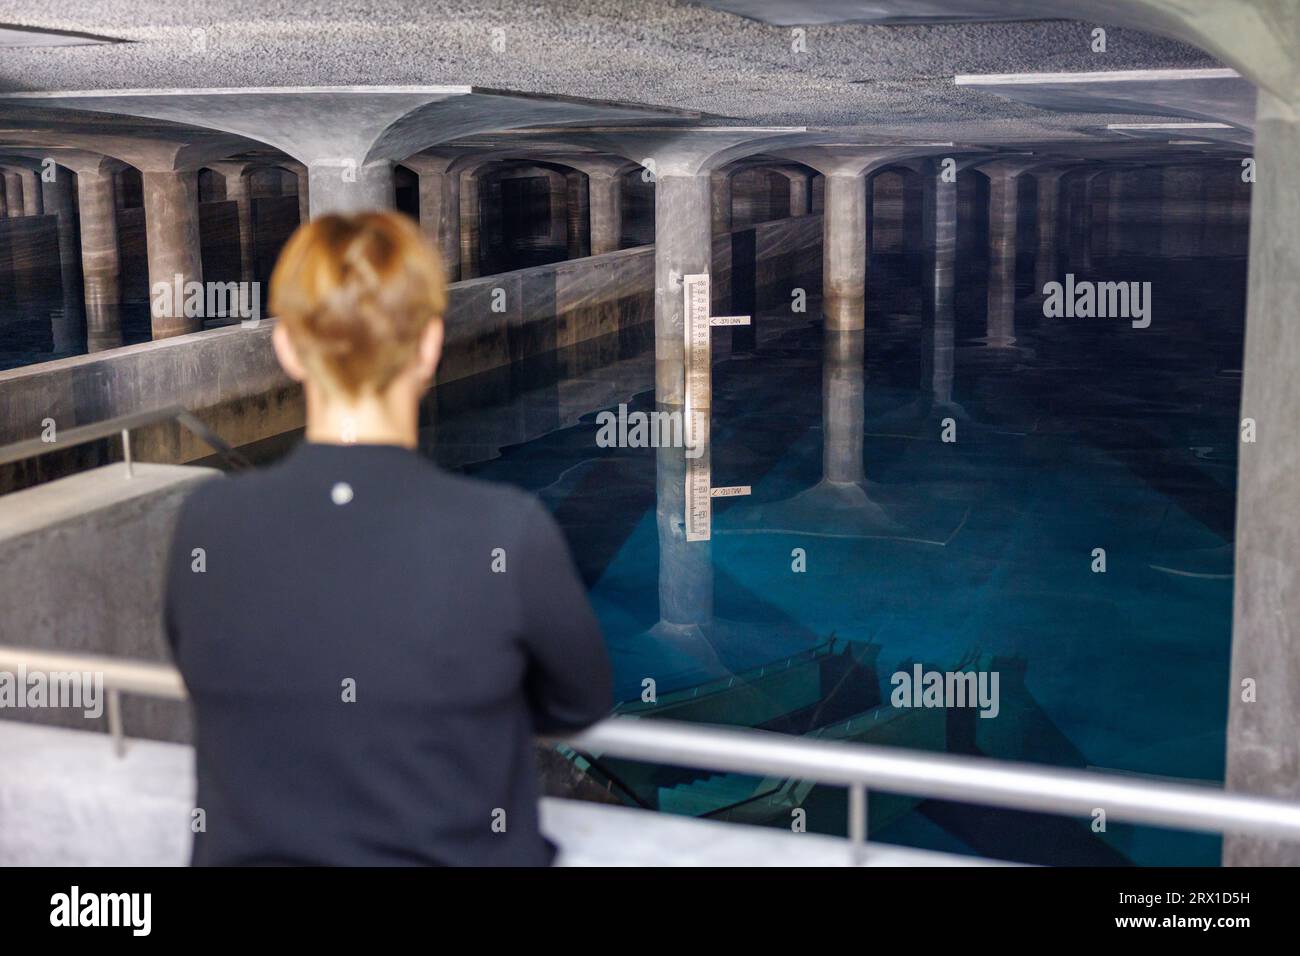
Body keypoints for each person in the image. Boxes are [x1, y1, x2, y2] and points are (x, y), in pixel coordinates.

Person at [164, 211, 612, 866]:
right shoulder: (503, 531)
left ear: (287, 346)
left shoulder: (207, 524)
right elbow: (580, 700)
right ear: (430, 346)